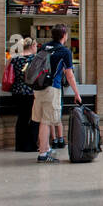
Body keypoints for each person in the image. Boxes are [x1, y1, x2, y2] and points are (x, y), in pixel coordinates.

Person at [34, 24, 83, 163]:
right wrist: (77, 93)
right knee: (46, 121)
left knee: (42, 120)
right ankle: (43, 154)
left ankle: (46, 148)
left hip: (38, 88)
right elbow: (70, 75)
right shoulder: (64, 51)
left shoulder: (44, 47)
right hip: (52, 88)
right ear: (64, 35)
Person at [7, 37, 40, 153]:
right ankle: (29, 145)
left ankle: (19, 145)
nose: (36, 48)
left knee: (21, 118)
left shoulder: (14, 58)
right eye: (36, 46)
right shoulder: (34, 59)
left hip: (16, 91)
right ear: (32, 46)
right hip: (30, 92)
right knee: (32, 119)